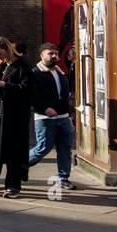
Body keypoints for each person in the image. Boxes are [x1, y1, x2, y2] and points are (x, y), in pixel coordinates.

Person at [0, 37, 32, 198]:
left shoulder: (22, 66)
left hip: (15, 116)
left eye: (1, 54)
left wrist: (4, 85)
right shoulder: (1, 66)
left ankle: (12, 186)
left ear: (8, 49)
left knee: (13, 152)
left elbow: (27, 89)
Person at [27, 42, 76, 192]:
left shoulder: (59, 72)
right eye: (50, 53)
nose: (54, 56)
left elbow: (63, 95)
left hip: (63, 117)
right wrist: (44, 108)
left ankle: (63, 178)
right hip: (45, 119)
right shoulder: (35, 73)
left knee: (65, 148)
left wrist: (69, 113)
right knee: (43, 148)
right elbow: (32, 96)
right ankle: (19, 165)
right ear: (42, 55)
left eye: (56, 53)